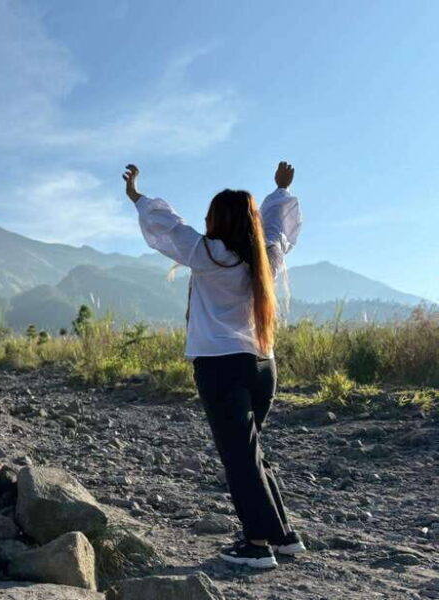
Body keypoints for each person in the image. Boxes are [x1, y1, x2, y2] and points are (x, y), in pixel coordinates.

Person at [123, 161, 305, 569]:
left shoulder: (207, 254)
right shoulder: (266, 257)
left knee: (238, 457)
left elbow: (169, 225)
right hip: (263, 366)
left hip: (221, 367)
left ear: (217, 221)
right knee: (250, 450)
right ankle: (283, 535)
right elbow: (278, 227)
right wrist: (280, 190)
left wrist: (136, 196)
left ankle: (256, 545)